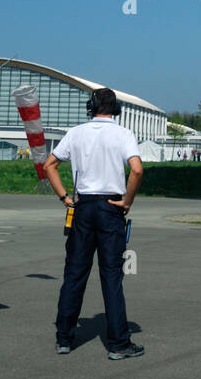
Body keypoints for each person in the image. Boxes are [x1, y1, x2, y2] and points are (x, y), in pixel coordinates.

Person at [42, 87, 144, 360]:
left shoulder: (76, 132)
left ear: (91, 106)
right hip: (111, 208)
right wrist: (127, 200)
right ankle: (118, 343)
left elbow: (49, 165)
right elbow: (136, 169)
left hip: (83, 207)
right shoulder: (123, 134)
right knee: (111, 276)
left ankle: (64, 338)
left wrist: (64, 196)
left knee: (75, 273)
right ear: (116, 109)